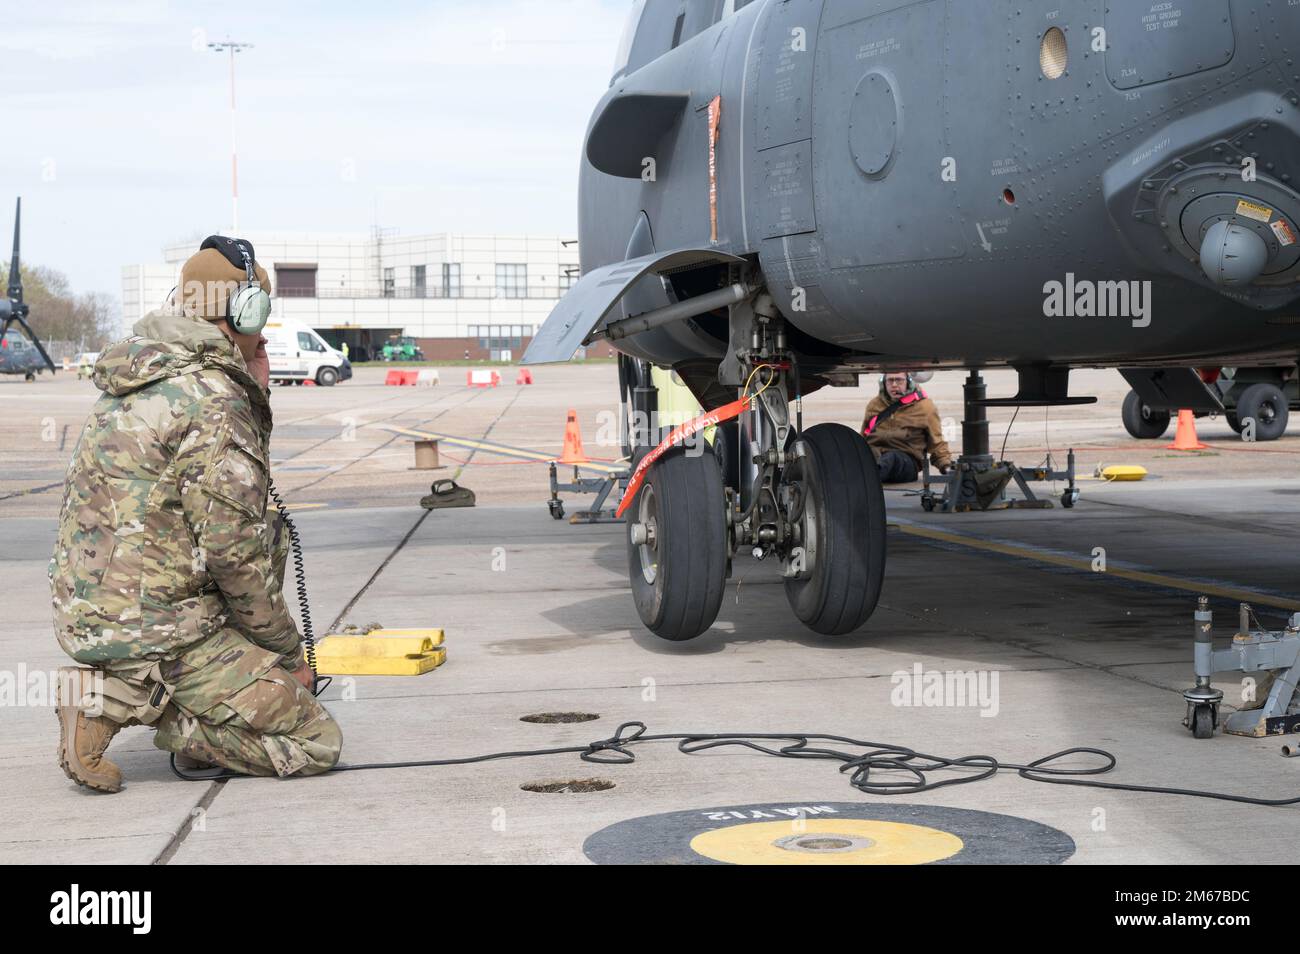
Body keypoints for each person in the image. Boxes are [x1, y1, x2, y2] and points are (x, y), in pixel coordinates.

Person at [51, 236, 341, 793]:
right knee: (313, 740)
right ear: (245, 311)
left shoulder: (139, 378)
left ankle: (125, 686)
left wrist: (251, 393)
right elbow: (235, 551)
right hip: (164, 631)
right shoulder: (212, 400)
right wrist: (288, 655)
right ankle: (134, 704)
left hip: (92, 616)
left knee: (263, 537)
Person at [860, 372, 954, 483]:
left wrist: (946, 467)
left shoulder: (925, 407)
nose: (894, 385)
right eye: (890, 380)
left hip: (905, 461)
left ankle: (867, 480)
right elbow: (863, 436)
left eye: (899, 380)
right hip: (876, 456)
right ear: (883, 383)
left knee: (891, 459)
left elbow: (937, 443)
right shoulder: (874, 405)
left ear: (909, 382)